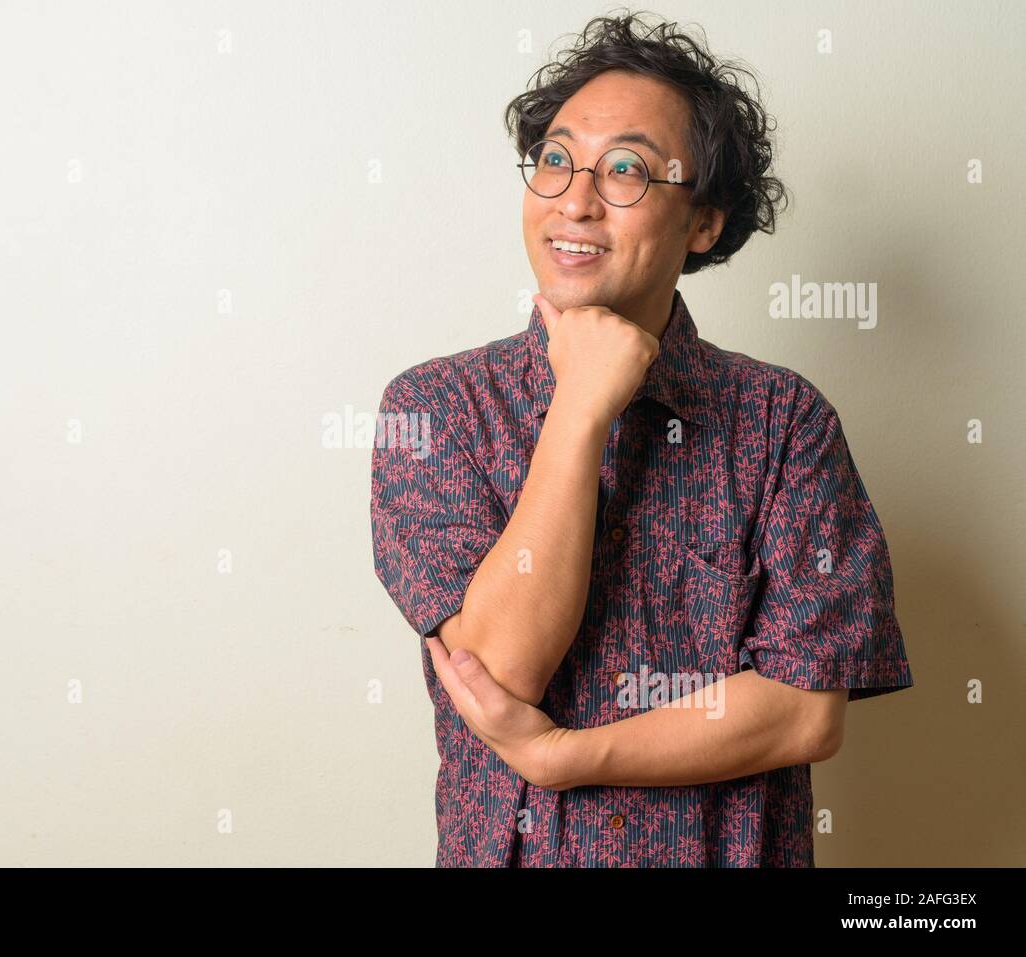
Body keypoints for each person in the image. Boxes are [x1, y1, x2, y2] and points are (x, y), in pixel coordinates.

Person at [369, 11, 913, 867]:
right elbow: (498, 669)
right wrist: (580, 407)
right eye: (555, 159)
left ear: (703, 222)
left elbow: (807, 710)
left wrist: (568, 756)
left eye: (626, 167)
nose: (574, 199)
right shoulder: (433, 410)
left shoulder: (784, 422)